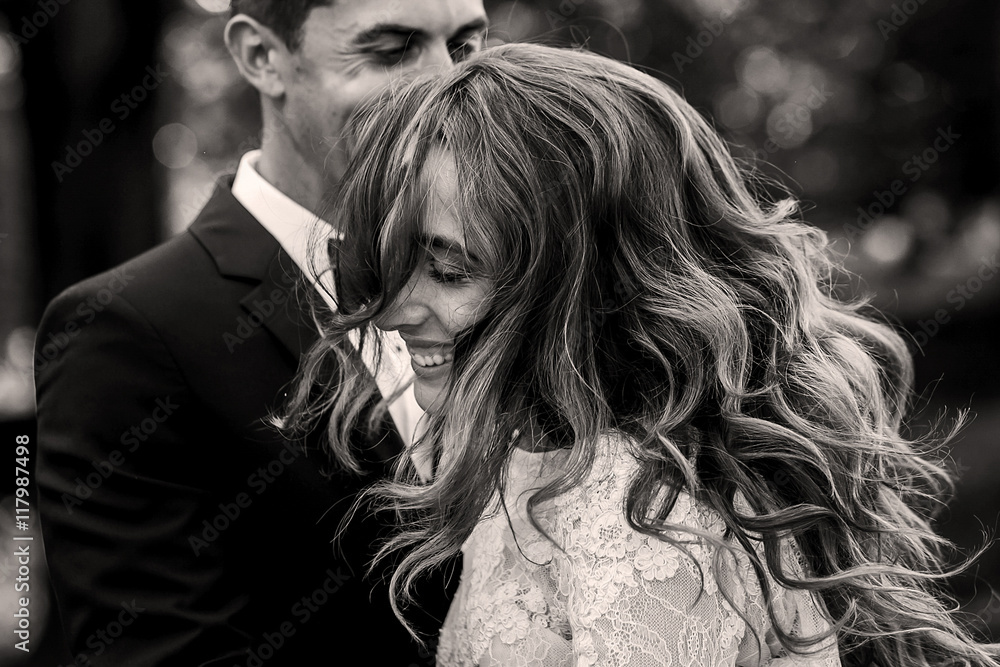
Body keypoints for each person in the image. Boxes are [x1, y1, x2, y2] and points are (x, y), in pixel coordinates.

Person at [284, 43, 1000, 666]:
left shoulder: (642, 517)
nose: (395, 311)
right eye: (397, 263)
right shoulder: (542, 459)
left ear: (587, 283)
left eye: (448, 270)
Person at [34, 1, 487, 664]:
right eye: (392, 49)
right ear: (262, 56)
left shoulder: (521, 280)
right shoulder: (124, 330)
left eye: (466, 46)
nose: (445, 81)